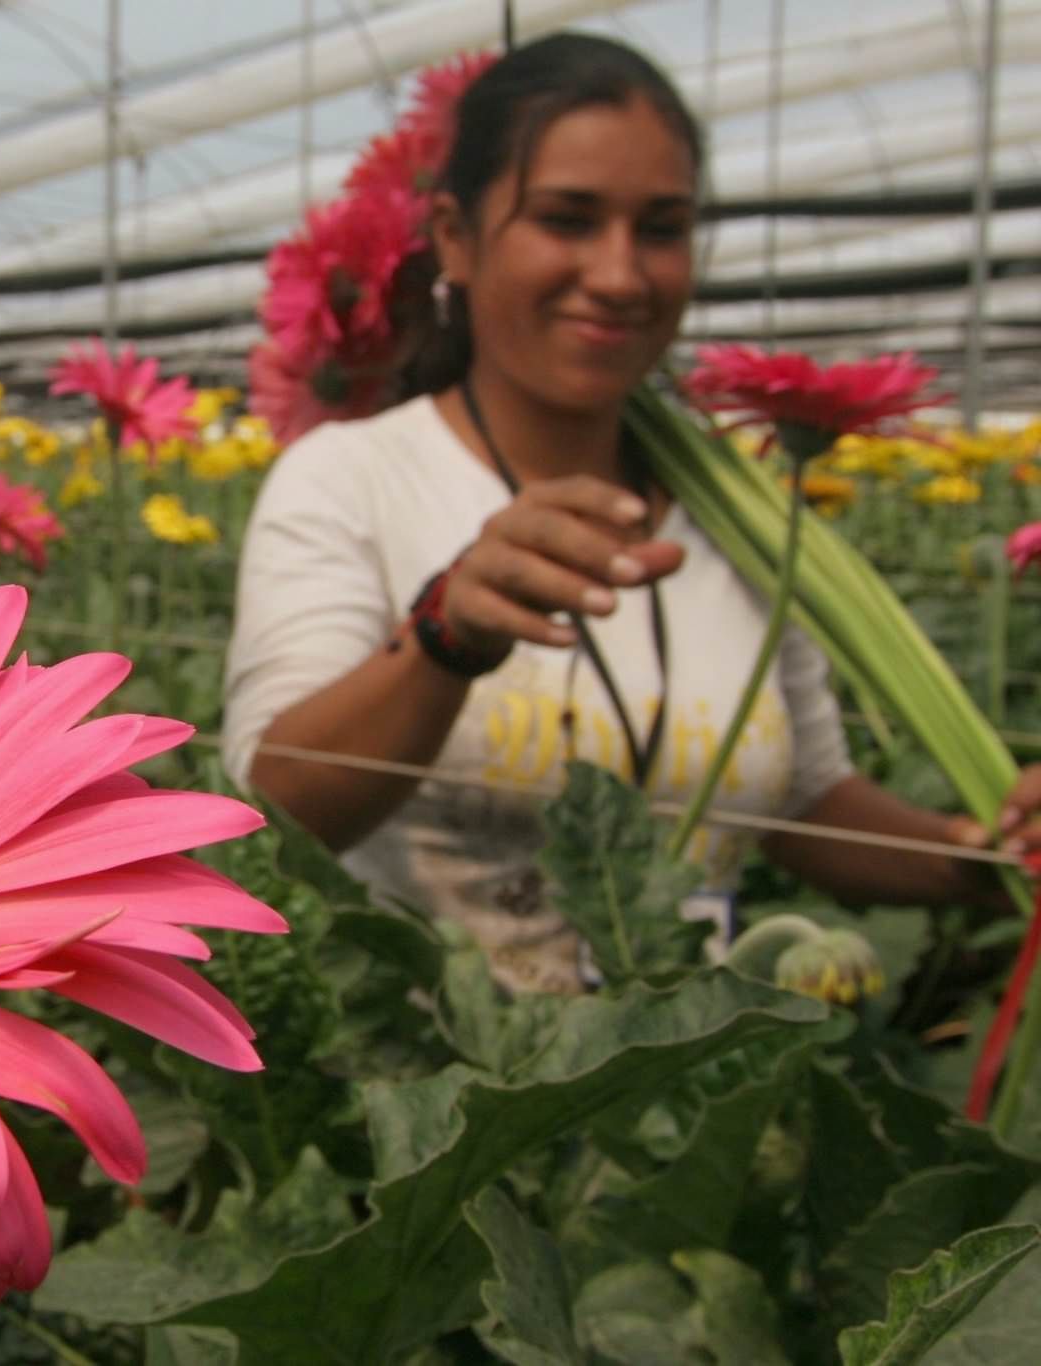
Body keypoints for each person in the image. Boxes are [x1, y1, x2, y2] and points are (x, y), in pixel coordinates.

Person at [222, 33, 1038, 993]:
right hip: (431, 1111)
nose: (620, 274)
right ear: (455, 236)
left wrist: (990, 858)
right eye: (567, 219)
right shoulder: (350, 478)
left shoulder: (742, 516)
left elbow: (806, 799)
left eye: (662, 228)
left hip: (681, 1111)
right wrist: (447, 635)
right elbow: (270, 812)